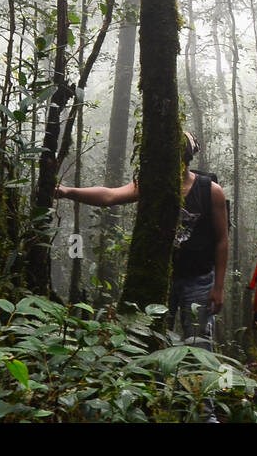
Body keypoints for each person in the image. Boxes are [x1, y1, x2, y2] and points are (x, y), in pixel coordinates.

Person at [55, 131, 227, 349]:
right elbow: (110, 196)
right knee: (150, 342)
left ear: (188, 156)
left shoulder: (211, 191)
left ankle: (200, 382)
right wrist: (67, 191)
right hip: (159, 276)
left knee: (199, 343)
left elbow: (222, 240)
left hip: (199, 279)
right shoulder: (152, 186)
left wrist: (218, 287)